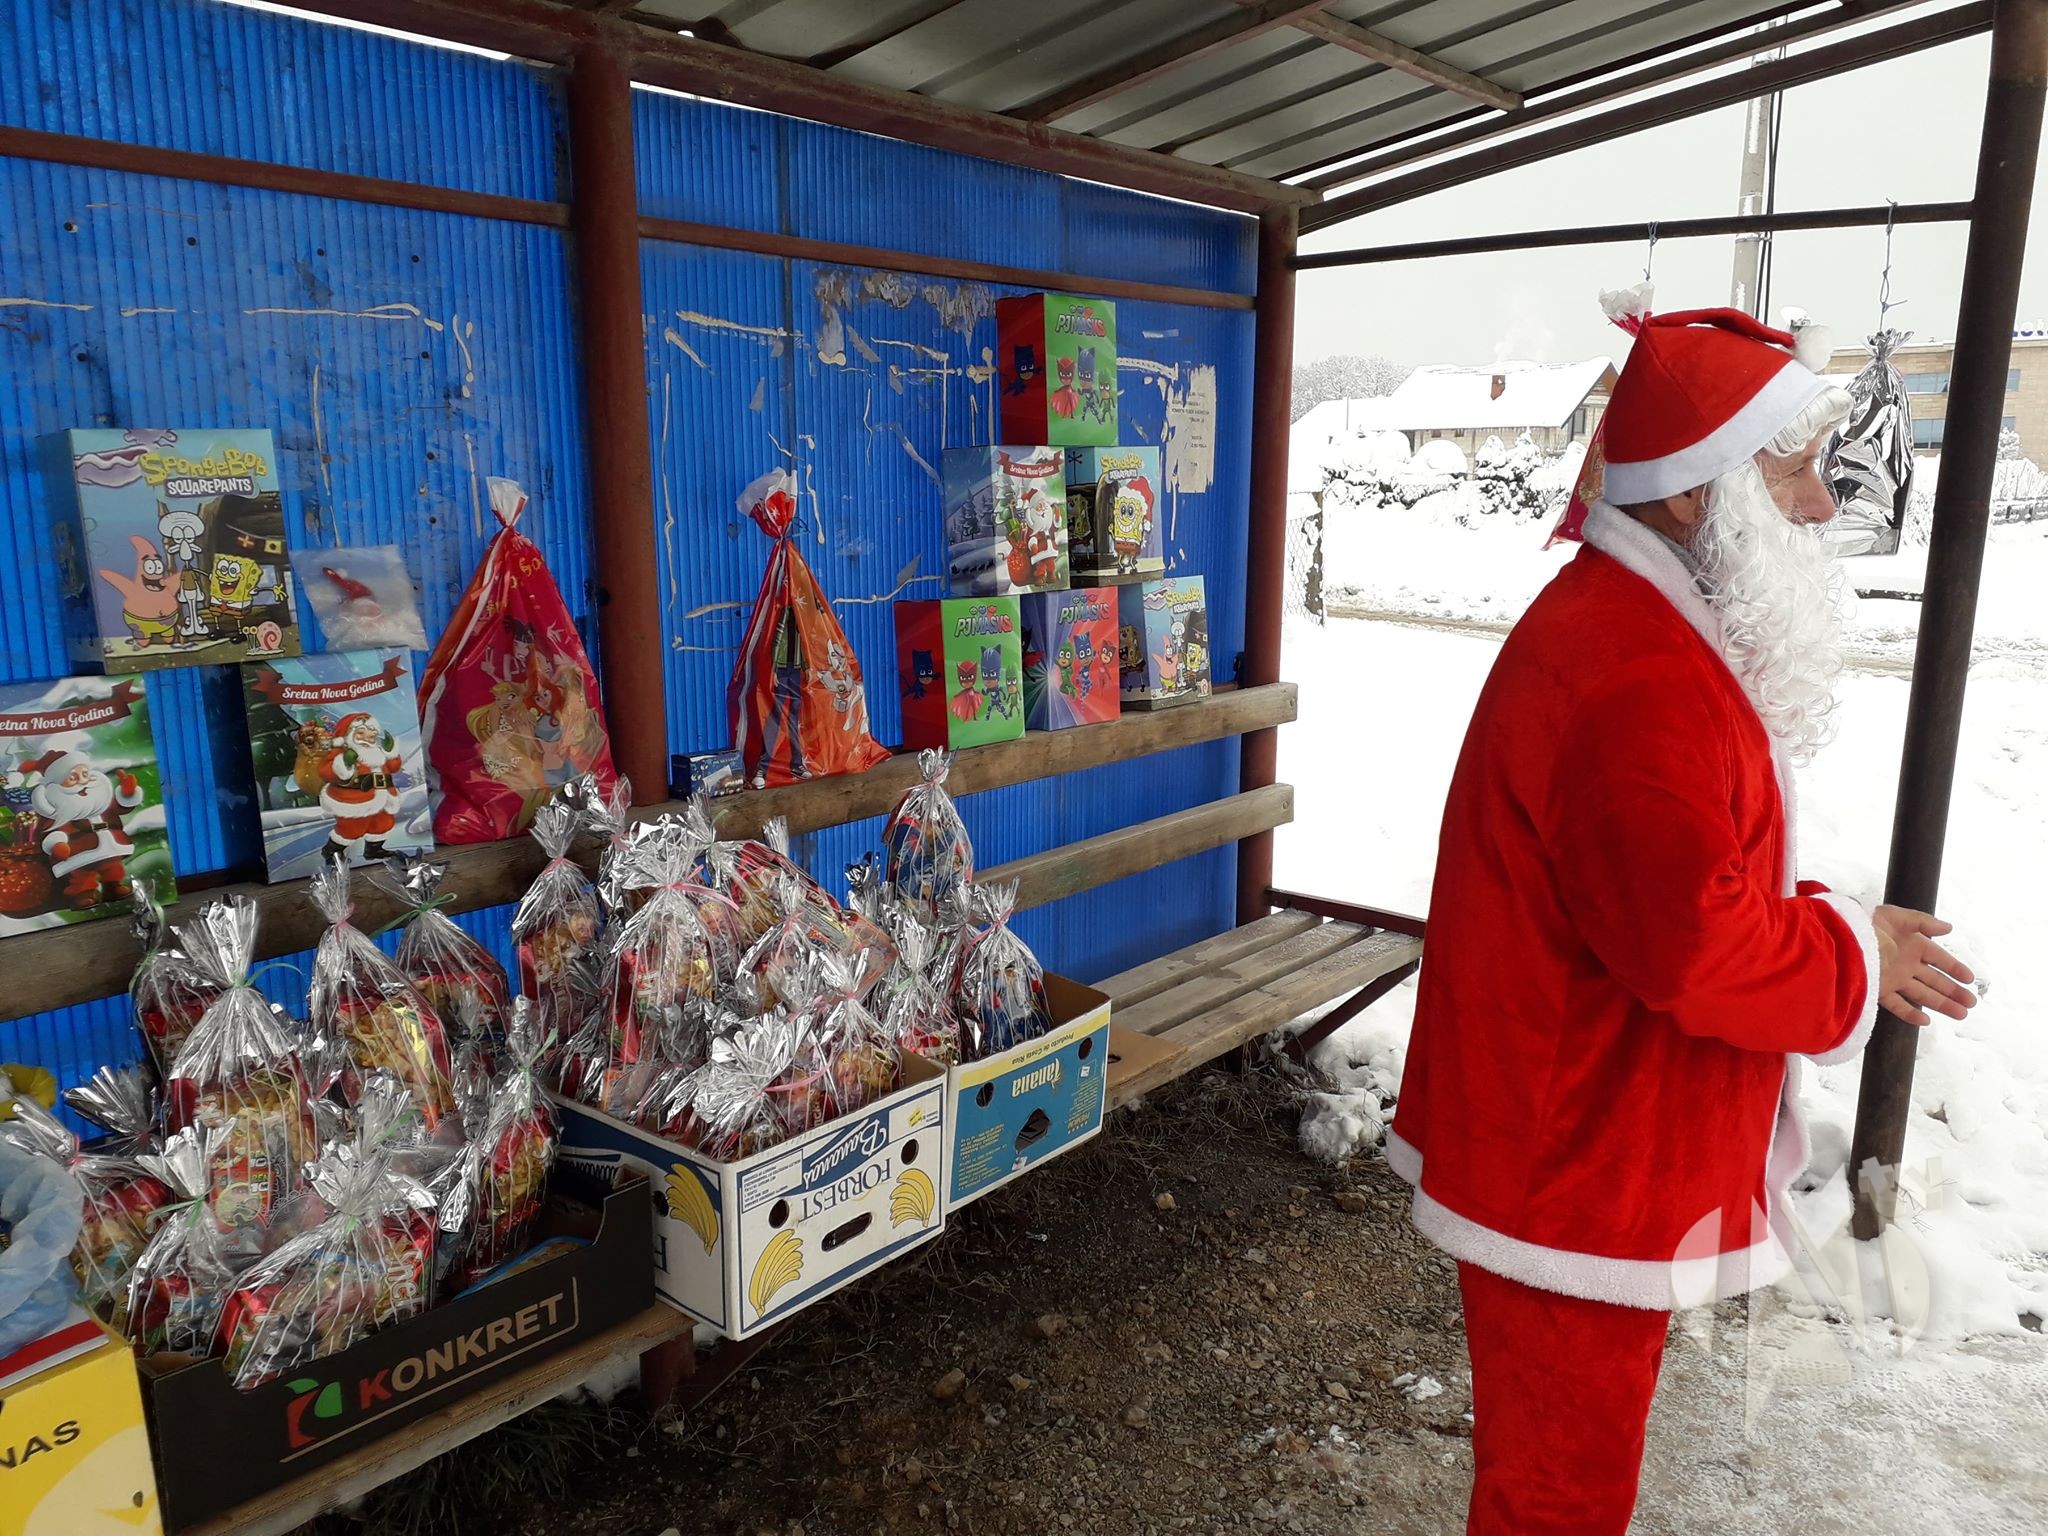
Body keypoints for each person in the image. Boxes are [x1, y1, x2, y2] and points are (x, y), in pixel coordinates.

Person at [1386, 292, 1979, 1535]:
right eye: (1791, 470)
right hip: (1572, 1165)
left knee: (1562, 1478)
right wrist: (1846, 953)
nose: (1819, 506)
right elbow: (1696, 947)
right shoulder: (1635, 673)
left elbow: (1676, 889)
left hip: (1575, 1143)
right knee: (1556, 1498)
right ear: (1700, 490)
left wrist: (1829, 927)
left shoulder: (1642, 627)